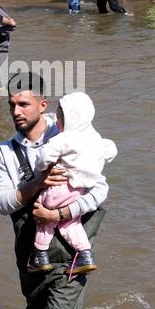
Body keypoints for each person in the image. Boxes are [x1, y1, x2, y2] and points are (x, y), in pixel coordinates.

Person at [0, 72, 109, 309]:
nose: (16, 111)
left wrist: (60, 211)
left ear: (43, 106)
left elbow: (99, 191)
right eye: (11, 105)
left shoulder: (73, 138)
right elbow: (2, 202)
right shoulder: (6, 152)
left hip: (72, 251)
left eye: (24, 104)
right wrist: (38, 183)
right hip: (32, 253)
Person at [26, 91, 116, 275]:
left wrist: (42, 169)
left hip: (59, 189)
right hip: (78, 192)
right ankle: (84, 254)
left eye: (61, 120)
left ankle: (40, 254)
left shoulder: (63, 139)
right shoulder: (96, 140)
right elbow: (111, 149)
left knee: (44, 217)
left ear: (71, 119)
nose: (58, 124)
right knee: (71, 224)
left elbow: (44, 156)